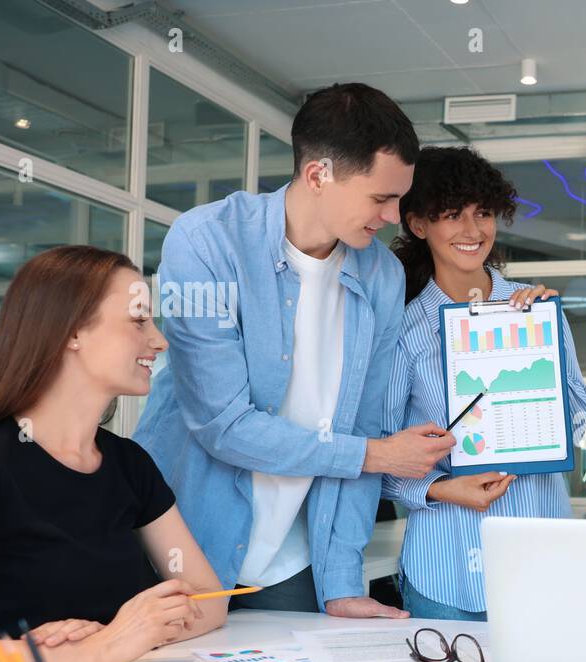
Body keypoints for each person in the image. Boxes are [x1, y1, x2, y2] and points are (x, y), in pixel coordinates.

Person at [135, 83, 455, 619]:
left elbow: (367, 425)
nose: (396, 217)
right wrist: (373, 455)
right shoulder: (206, 242)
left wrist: (344, 583)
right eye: (381, 198)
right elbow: (223, 425)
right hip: (181, 546)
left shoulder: (382, 275)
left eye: (400, 197)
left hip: (292, 563)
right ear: (317, 175)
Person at [0, 246, 227, 662]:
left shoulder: (129, 463)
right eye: (138, 319)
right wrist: (100, 647)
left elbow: (209, 599)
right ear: (72, 330)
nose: (159, 340)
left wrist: (132, 633)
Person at [383, 146, 586, 620]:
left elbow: (576, 423)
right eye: (452, 215)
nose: (473, 231)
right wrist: (440, 488)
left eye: (483, 213)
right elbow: (379, 454)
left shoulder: (537, 314)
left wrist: (543, 346)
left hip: (544, 563)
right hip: (446, 568)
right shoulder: (405, 331)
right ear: (419, 225)